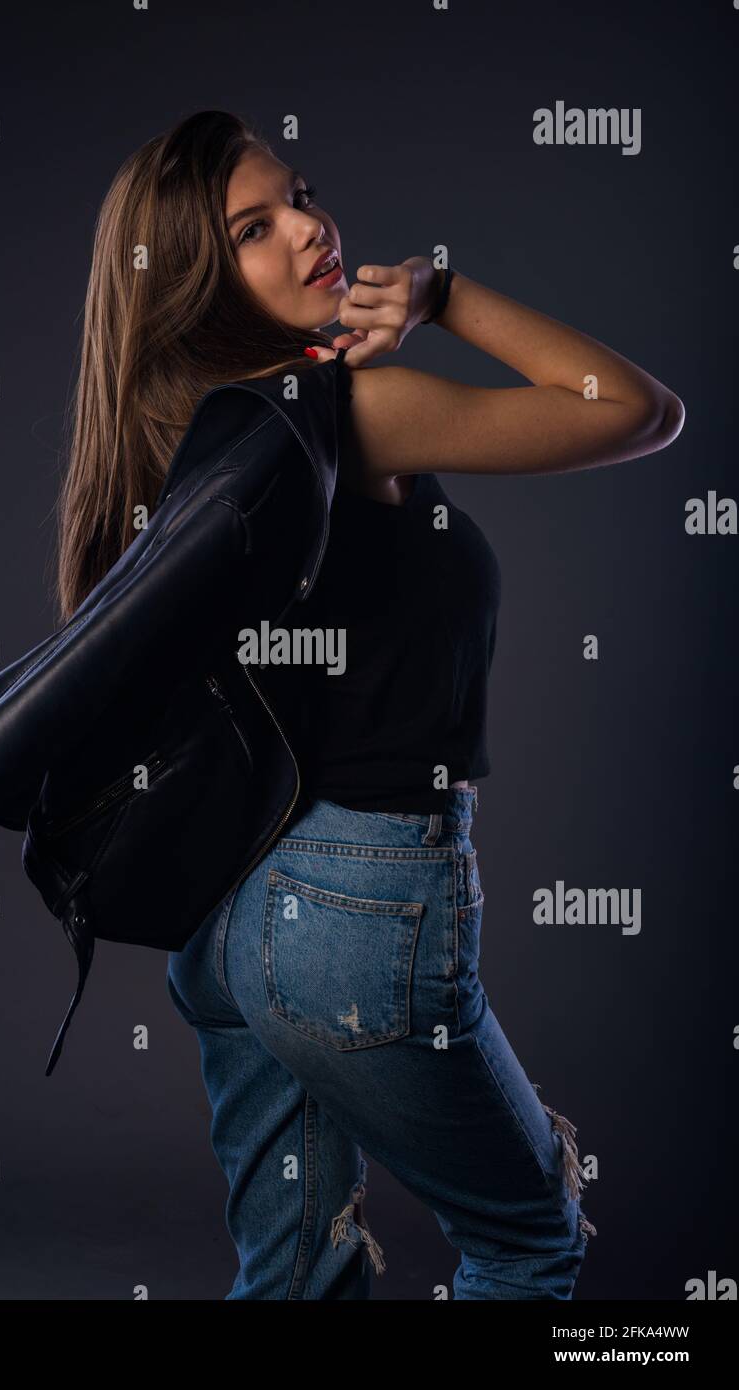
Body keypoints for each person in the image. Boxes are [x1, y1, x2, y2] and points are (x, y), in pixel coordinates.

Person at [55, 110, 684, 1299]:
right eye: (254, 228)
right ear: (193, 278)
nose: (308, 228)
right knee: (526, 1241)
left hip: (226, 930)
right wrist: (441, 293)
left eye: (299, 194)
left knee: (293, 1280)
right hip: (352, 916)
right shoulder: (346, 414)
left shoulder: (162, 441)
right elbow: (637, 410)